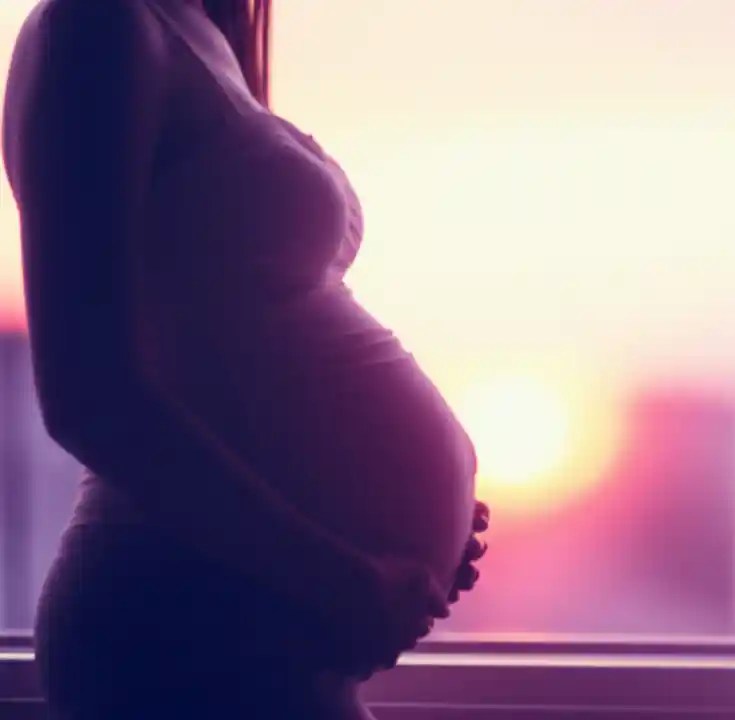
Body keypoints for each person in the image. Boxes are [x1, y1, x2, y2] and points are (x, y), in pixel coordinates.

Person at [2, 0, 489, 716]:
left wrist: (401, 521)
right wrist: (339, 576)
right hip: (179, 625)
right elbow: (87, 393)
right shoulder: (96, 24)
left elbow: (234, 355)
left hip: (256, 621)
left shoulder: (200, 29)